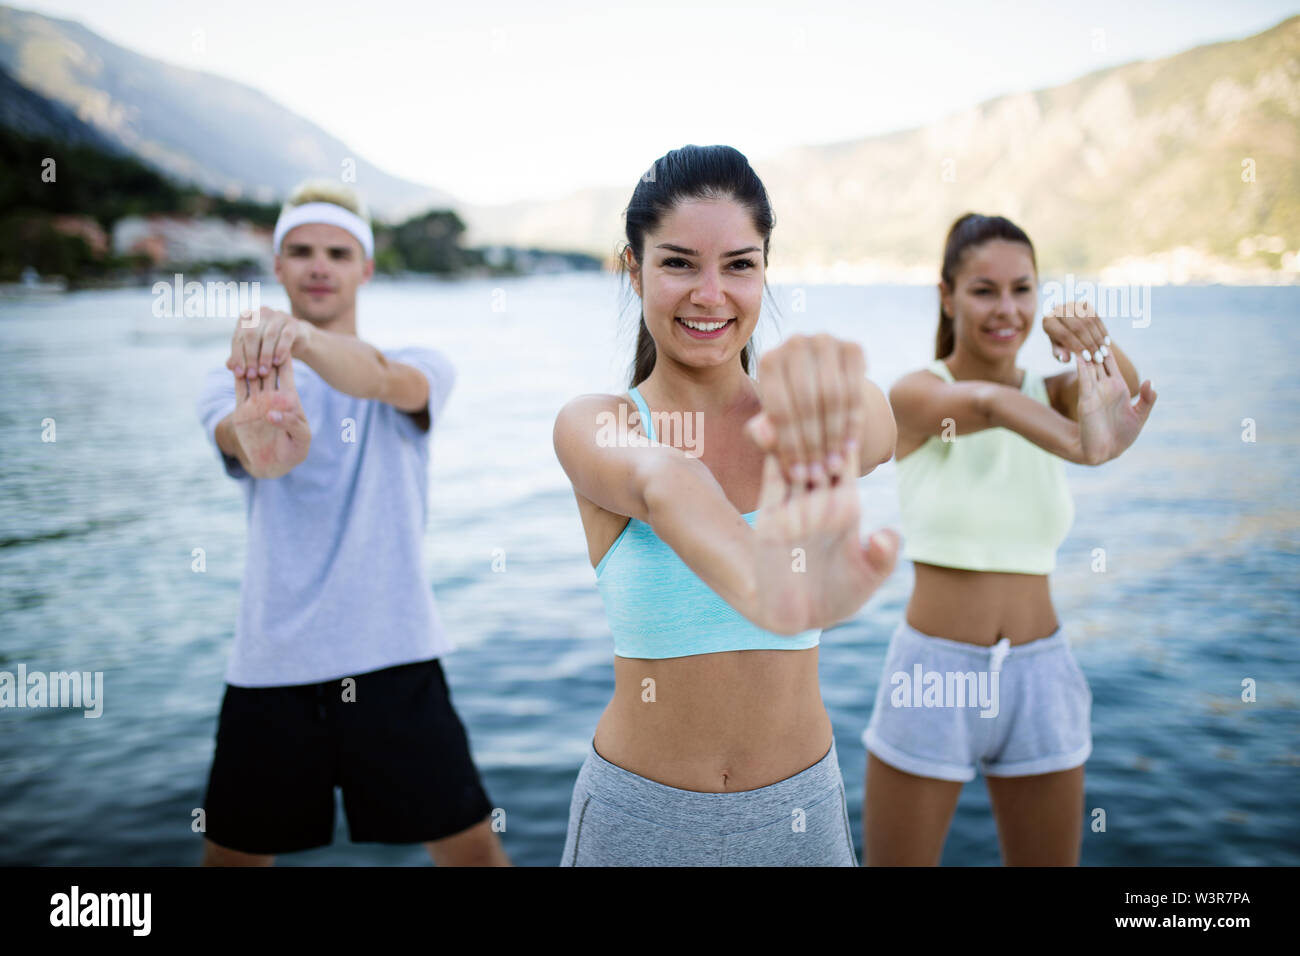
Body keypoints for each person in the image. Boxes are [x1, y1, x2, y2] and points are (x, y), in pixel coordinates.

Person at [552, 144, 900, 866]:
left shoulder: (792, 424)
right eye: (679, 262)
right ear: (633, 269)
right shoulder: (597, 423)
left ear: (765, 270)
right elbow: (664, 483)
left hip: (799, 818)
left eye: (739, 264)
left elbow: (878, 426)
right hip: (637, 821)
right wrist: (762, 586)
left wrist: (822, 390)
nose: (711, 294)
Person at [193, 180, 508, 866]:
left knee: (474, 854)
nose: (318, 266)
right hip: (272, 663)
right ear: (277, 265)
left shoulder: (419, 366)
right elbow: (241, 442)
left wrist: (299, 341)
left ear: (365, 268)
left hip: (394, 655)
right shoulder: (232, 382)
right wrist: (258, 438)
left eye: (338, 252)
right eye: (301, 251)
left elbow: (381, 381)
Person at [862, 212, 1157, 866]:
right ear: (947, 296)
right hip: (935, 674)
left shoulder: (1051, 392)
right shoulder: (916, 396)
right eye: (984, 290)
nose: (1006, 309)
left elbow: (1126, 389)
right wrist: (1084, 444)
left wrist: (1088, 341)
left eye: (1023, 290)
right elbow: (991, 407)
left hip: (1041, 672)